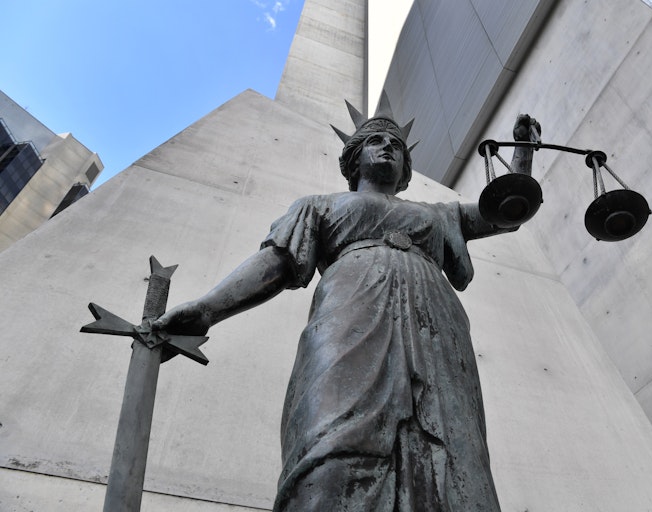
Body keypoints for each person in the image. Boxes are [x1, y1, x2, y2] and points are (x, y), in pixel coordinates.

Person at [153, 96, 540, 511]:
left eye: (395, 144)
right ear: (354, 159)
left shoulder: (437, 214)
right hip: (351, 313)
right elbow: (276, 262)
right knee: (332, 439)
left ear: (406, 169)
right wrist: (209, 307)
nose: (388, 147)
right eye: (376, 141)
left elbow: (505, 211)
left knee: (454, 450)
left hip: (434, 324)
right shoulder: (319, 206)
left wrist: (524, 154)